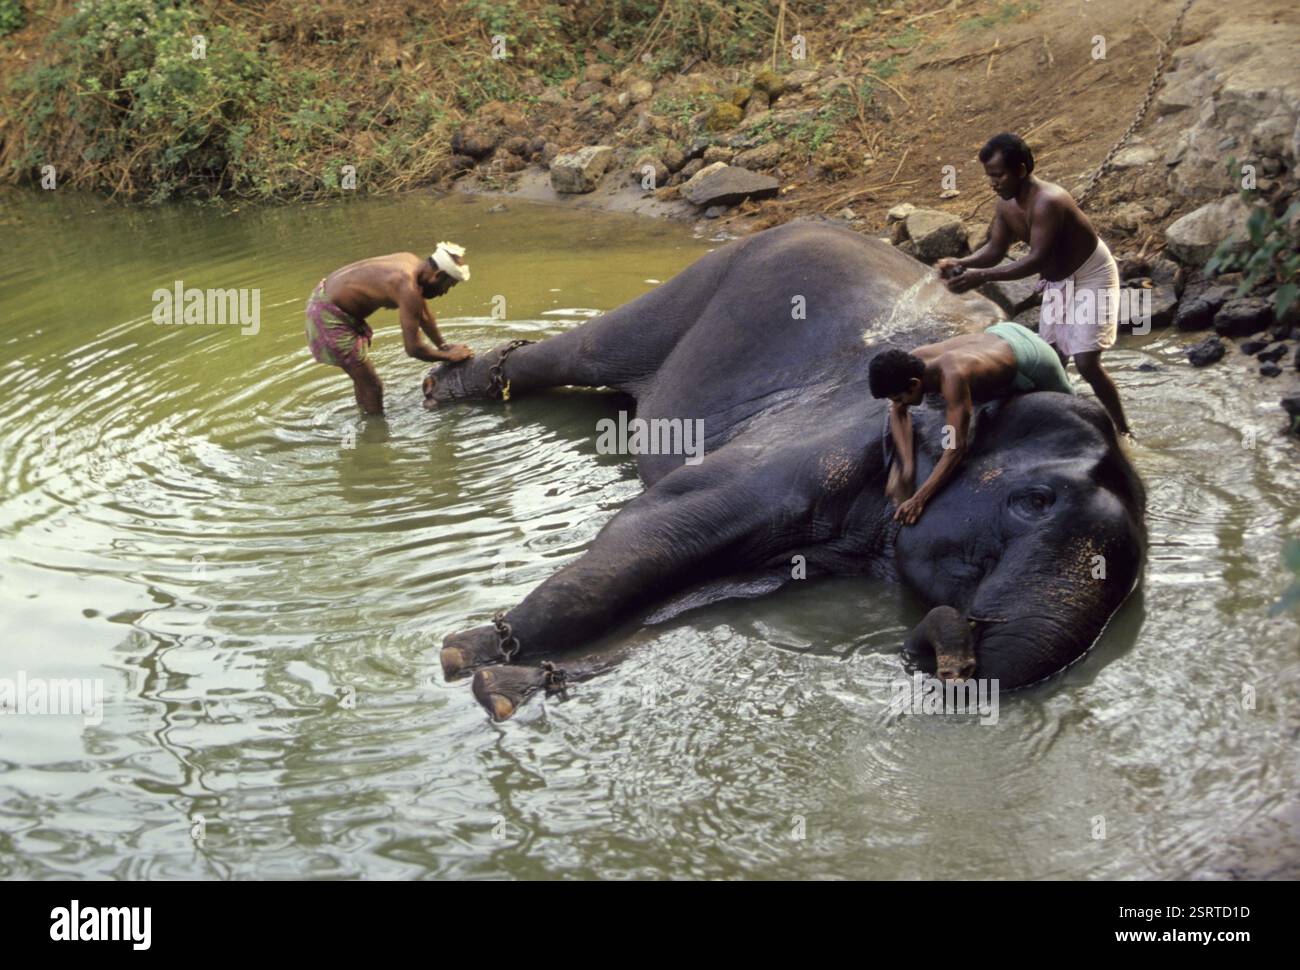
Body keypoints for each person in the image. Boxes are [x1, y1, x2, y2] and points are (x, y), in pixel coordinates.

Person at [938, 133, 1131, 438]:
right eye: (990, 176)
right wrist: (963, 263)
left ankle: (1123, 430)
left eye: (999, 175)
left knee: (1086, 361)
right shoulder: (1005, 205)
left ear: (1022, 169)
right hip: (1057, 280)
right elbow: (994, 251)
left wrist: (983, 277)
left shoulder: (1049, 201)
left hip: (1091, 274)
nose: (994, 183)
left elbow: (1036, 260)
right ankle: (1063, 421)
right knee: (1051, 356)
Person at [868, 321, 1073, 524]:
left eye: (899, 397)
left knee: (1073, 415)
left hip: (1033, 357)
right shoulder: (912, 361)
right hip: (1000, 334)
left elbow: (954, 448)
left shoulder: (952, 378)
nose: (898, 403)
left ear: (914, 384)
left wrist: (919, 498)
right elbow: (897, 410)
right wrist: (908, 469)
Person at [305, 242, 474, 413]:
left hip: (324, 297)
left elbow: (423, 314)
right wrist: (448, 357)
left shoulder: (410, 261)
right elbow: (414, 349)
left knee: (363, 381)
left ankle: (364, 412)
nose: (444, 292)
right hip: (330, 319)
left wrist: (443, 346)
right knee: (373, 386)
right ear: (437, 276)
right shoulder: (408, 288)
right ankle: (375, 434)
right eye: (449, 286)